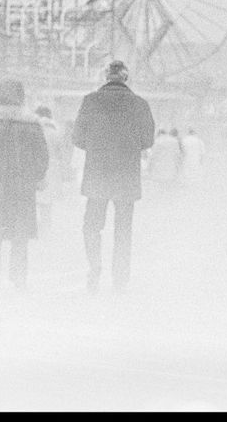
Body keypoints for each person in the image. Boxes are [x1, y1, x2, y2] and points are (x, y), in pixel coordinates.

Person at [72, 60, 155, 295]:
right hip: (126, 175)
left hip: (97, 172)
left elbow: (77, 137)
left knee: (92, 225)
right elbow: (147, 140)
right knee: (123, 230)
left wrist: (97, 144)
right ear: (126, 78)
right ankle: (119, 279)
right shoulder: (140, 104)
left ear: (106, 77)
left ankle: (95, 267)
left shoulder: (90, 101)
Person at [0, 79, 49, 290]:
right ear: (22, 97)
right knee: (20, 233)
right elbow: (43, 157)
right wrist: (33, 177)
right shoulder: (32, 124)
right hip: (22, 189)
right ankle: (19, 276)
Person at [34, 105, 66, 233]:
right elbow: (61, 154)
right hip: (52, 169)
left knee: (34, 198)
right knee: (47, 201)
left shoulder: (34, 131)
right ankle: (46, 226)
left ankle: (34, 227)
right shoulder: (55, 132)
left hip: (36, 167)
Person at [147, 128, 183, 195]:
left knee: (161, 188)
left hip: (160, 169)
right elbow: (178, 156)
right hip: (171, 168)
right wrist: (178, 168)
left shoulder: (157, 141)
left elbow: (152, 156)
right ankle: (169, 200)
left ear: (159, 134)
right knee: (170, 188)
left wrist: (149, 167)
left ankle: (162, 200)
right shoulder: (174, 141)